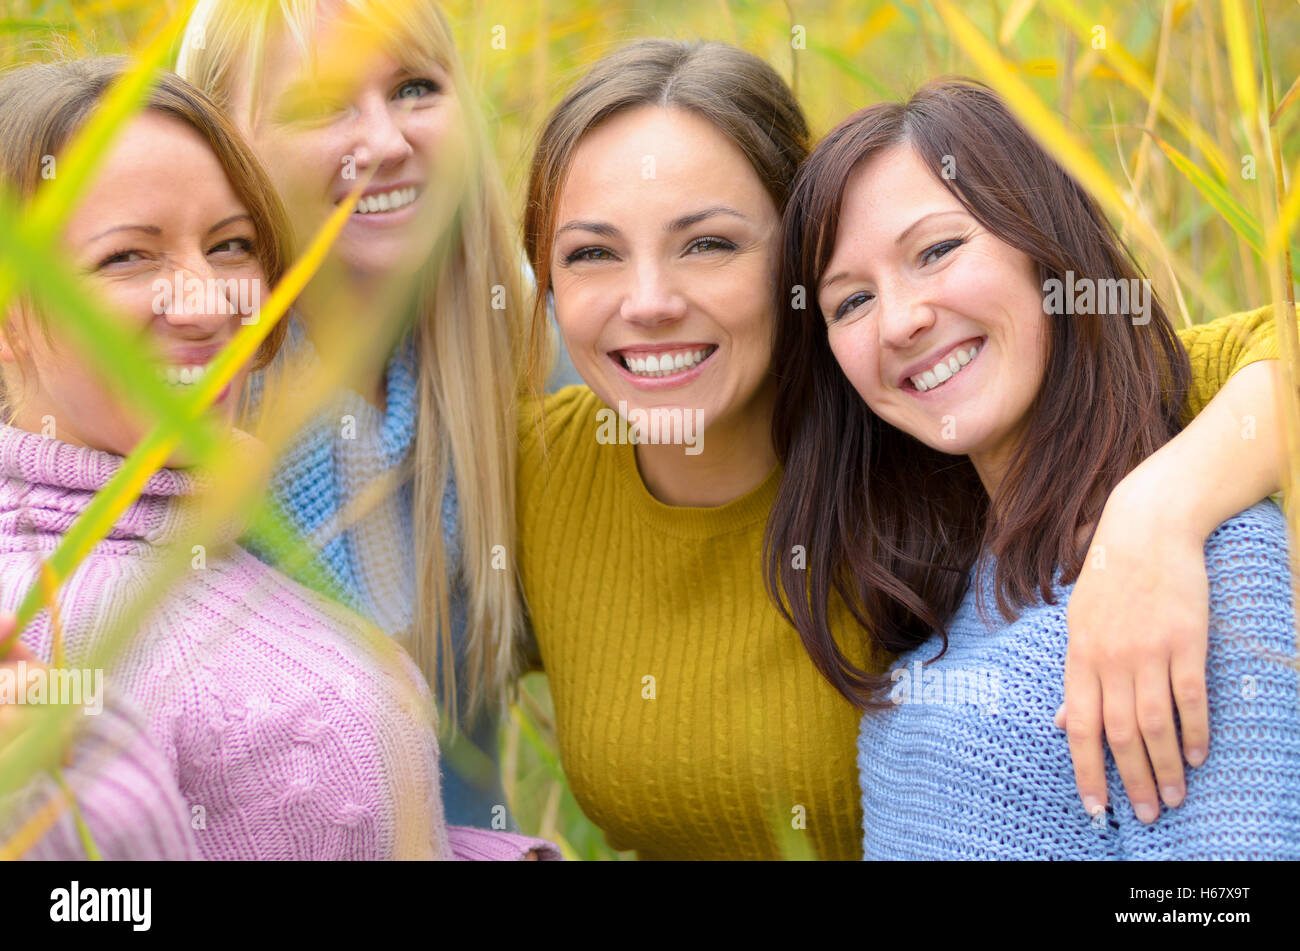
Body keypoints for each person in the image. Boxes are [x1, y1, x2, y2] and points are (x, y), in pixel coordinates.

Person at [518, 39, 1287, 859]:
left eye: (708, 243)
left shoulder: (933, 428)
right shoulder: (538, 475)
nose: (650, 302)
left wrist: (1157, 513)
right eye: (592, 252)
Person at [0, 57, 555, 860]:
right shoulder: (44, 627)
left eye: (230, 247)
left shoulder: (188, 535)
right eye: (127, 256)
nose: (208, 301)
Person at [767, 77, 1299, 858]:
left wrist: (1159, 515)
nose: (901, 320)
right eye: (851, 302)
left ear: (1044, 248)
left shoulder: (1210, 560)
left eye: (938, 250)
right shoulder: (947, 580)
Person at [176, 0, 547, 827]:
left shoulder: (524, 342)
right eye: (322, 105)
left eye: (416, 88)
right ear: (220, 150)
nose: (384, 143)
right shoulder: (175, 397)